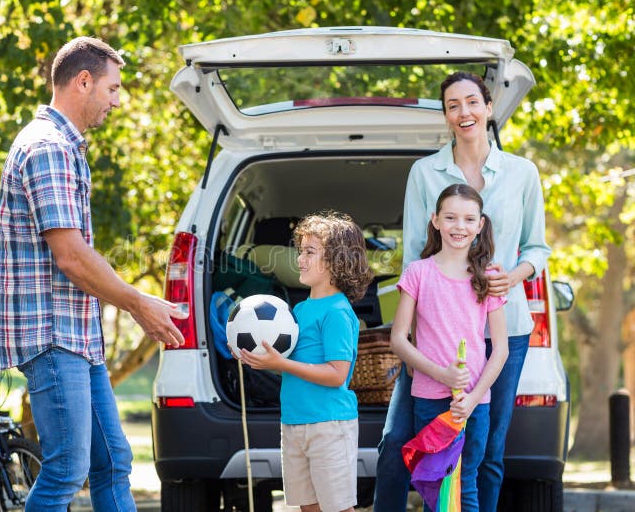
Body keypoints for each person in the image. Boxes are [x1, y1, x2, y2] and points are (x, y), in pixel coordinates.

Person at [0, 36, 186, 512]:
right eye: (113, 89)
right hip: (54, 335)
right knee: (66, 469)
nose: (118, 102)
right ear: (83, 82)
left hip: (77, 336)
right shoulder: (48, 148)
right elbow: (72, 257)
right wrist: (139, 304)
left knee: (113, 462)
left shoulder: (64, 147)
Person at [373, 71, 551, 511]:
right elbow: (415, 254)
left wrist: (514, 276)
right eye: (454, 105)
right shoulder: (425, 172)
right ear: (446, 115)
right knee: (397, 438)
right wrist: (412, 333)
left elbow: (538, 247)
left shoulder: (522, 173)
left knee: (486, 448)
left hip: (503, 329)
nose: (464, 112)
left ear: (489, 108)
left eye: (472, 102)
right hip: (438, 333)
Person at [235, 212, 373, 512]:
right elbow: (292, 362)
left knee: (337, 508)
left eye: (310, 252)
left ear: (337, 261)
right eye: (301, 251)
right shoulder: (299, 309)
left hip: (329, 425)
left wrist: (281, 365)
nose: (300, 259)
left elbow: (337, 375)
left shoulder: (337, 311)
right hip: (294, 423)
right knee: (307, 507)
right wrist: (258, 358)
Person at [390, 183, 509, 511]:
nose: (460, 226)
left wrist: (471, 400)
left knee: (465, 483)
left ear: (480, 224)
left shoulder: (487, 277)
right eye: (451, 217)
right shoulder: (418, 273)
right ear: (436, 220)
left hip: (473, 403)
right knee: (438, 486)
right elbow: (399, 338)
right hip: (430, 400)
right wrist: (442, 374)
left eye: (469, 219)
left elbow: (500, 350)